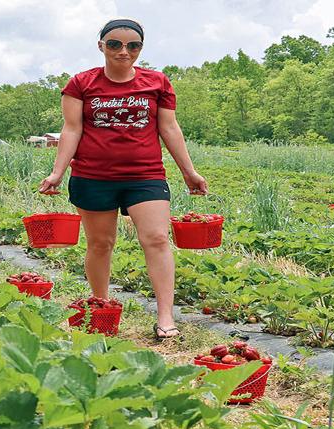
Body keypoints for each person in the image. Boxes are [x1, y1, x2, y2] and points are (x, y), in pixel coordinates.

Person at [39, 18, 208, 340]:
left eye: (133, 46)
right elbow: (72, 129)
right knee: (101, 244)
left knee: (157, 238)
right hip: (93, 175)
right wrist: (57, 172)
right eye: (114, 44)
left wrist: (189, 171)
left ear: (140, 48)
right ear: (101, 45)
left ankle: (165, 317)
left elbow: (169, 128)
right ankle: (100, 305)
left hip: (145, 175)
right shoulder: (81, 83)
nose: (124, 51)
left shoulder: (157, 82)